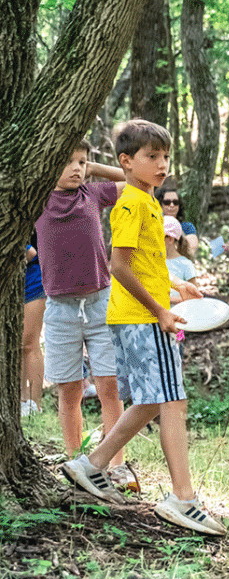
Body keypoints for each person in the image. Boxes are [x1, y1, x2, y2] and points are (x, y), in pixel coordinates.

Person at [60, 119, 226, 536]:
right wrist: (160, 310)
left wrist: (174, 283)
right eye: (152, 156)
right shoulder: (132, 202)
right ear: (126, 162)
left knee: (154, 400)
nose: (163, 164)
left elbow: (144, 263)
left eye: (166, 156)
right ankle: (183, 498)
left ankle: (92, 464)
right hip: (142, 317)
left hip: (140, 314)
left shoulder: (147, 201)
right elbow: (119, 265)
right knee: (171, 400)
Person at [37, 140, 130, 487]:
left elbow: (140, 180)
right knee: (70, 389)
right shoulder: (39, 198)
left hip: (100, 302)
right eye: (70, 162)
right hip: (60, 308)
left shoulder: (92, 192)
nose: (77, 168)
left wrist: (94, 168)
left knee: (109, 384)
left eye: (82, 161)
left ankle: (115, 463)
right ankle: (77, 460)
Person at [20, 242, 44, 418]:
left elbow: (30, 253)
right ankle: (20, 400)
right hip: (11, 277)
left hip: (32, 275)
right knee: (14, 345)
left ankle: (34, 404)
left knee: (28, 342)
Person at [163, 217, 202, 304]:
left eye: (157, 236)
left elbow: (194, 297)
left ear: (170, 239)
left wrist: (165, 300)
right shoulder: (153, 262)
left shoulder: (186, 264)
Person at [157, 186, 198, 256]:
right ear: (160, 205)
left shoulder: (187, 227)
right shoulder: (153, 225)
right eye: (167, 202)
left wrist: (175, 227)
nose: (172, 205)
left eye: (176, 202)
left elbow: (191, 251)